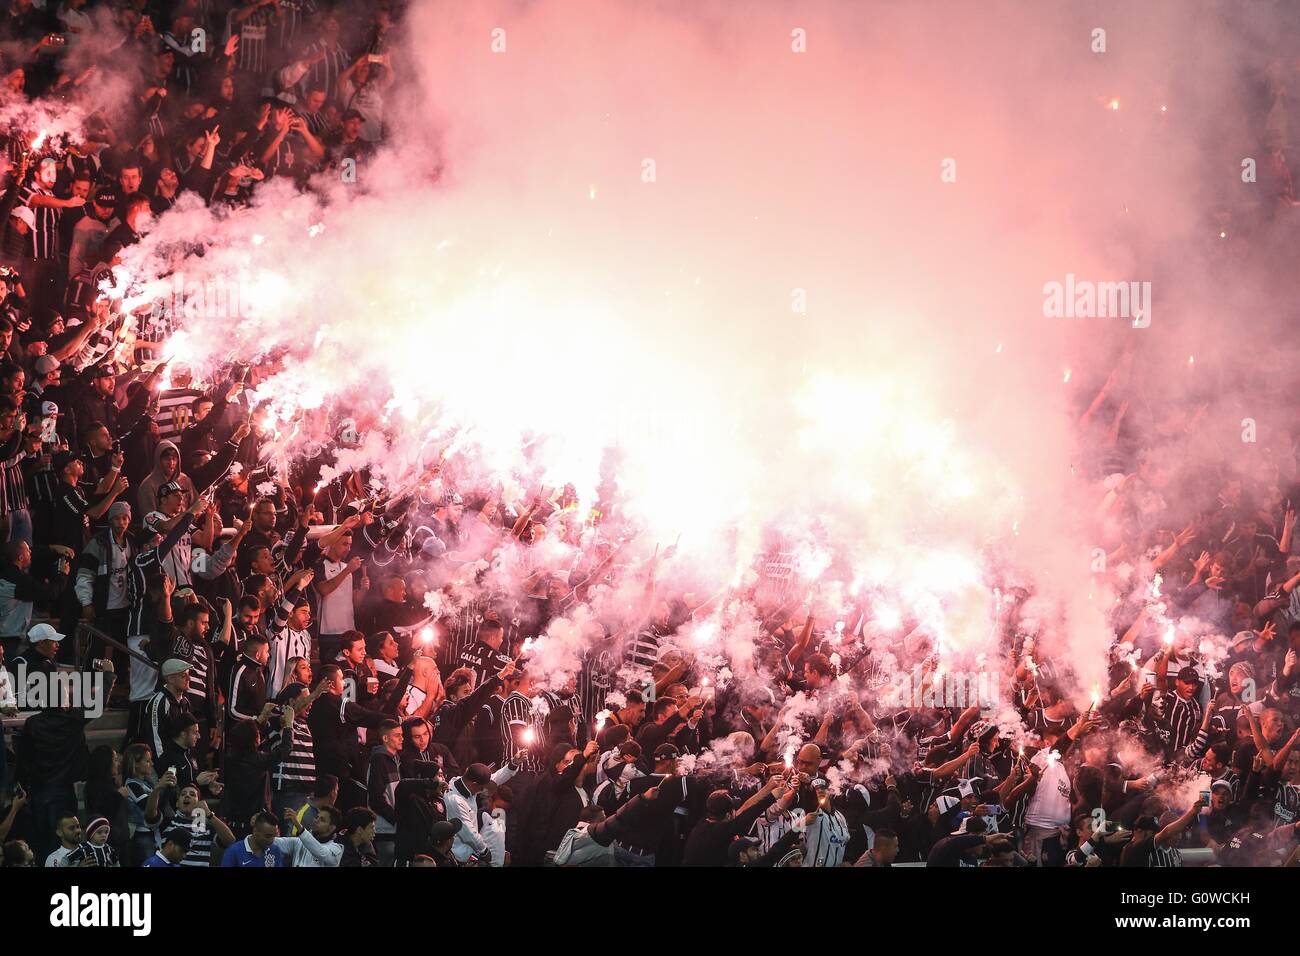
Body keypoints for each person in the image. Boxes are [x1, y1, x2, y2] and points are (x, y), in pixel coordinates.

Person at [220, 811, 284, 867]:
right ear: (255, 831)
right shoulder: (233, 852)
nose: (271, 840)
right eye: (267, 836)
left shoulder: (275, 850)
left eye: (274, 836)